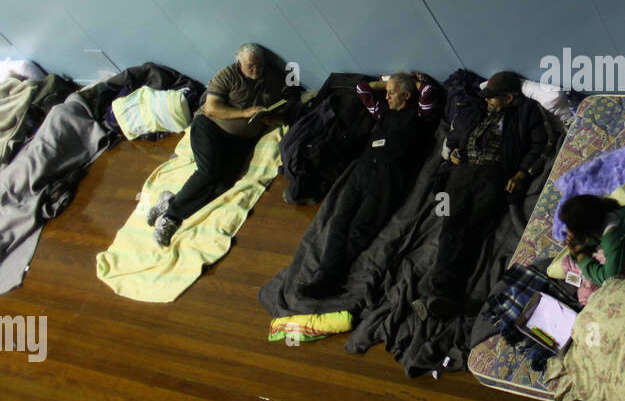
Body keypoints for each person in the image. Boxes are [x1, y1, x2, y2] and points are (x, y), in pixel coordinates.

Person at [413, 71, 552, 319]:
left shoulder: (526, 112)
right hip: (462, 172)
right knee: (451, 226)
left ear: (509, 98)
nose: (487, 100)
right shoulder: (475, 108)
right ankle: (443, 294)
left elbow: (540, 145)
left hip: (494, 173)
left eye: (493, 97)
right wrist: (453, 152)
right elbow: (454, 137)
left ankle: (455, 295)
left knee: (474, 230)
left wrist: (521, 174)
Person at [297, 71, 443, 297]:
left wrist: (413, 82)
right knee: (338, 221)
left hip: (387, 178)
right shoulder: (383, 113)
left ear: (406, 95)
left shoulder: (420, 117)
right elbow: (362, 89)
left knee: (360, 227)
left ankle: (328, 277)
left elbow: (428, 93)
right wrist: (388, 81)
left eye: (392, 94)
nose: (387, 97)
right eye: (386, 93)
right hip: (362, 171)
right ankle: (325, 275)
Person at [147, 43, 299, 245]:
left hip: (241, 140)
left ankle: (170, 201)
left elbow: (290, 94)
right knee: (209, 171)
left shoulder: (272, 77)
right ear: (239, 64)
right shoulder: (227, 75)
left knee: (223, 186)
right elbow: (211, 109)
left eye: (260, 66)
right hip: (211, 128)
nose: (256, 71)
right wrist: (244, 113)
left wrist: (273, 115)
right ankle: (170, 219)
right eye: (251, 67)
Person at [560, 194, 625, 303]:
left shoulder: (612, 238)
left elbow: (610, 279)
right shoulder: (611, 213)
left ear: (587, 234)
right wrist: (576, 251)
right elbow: (594, 240)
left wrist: (582, 259)